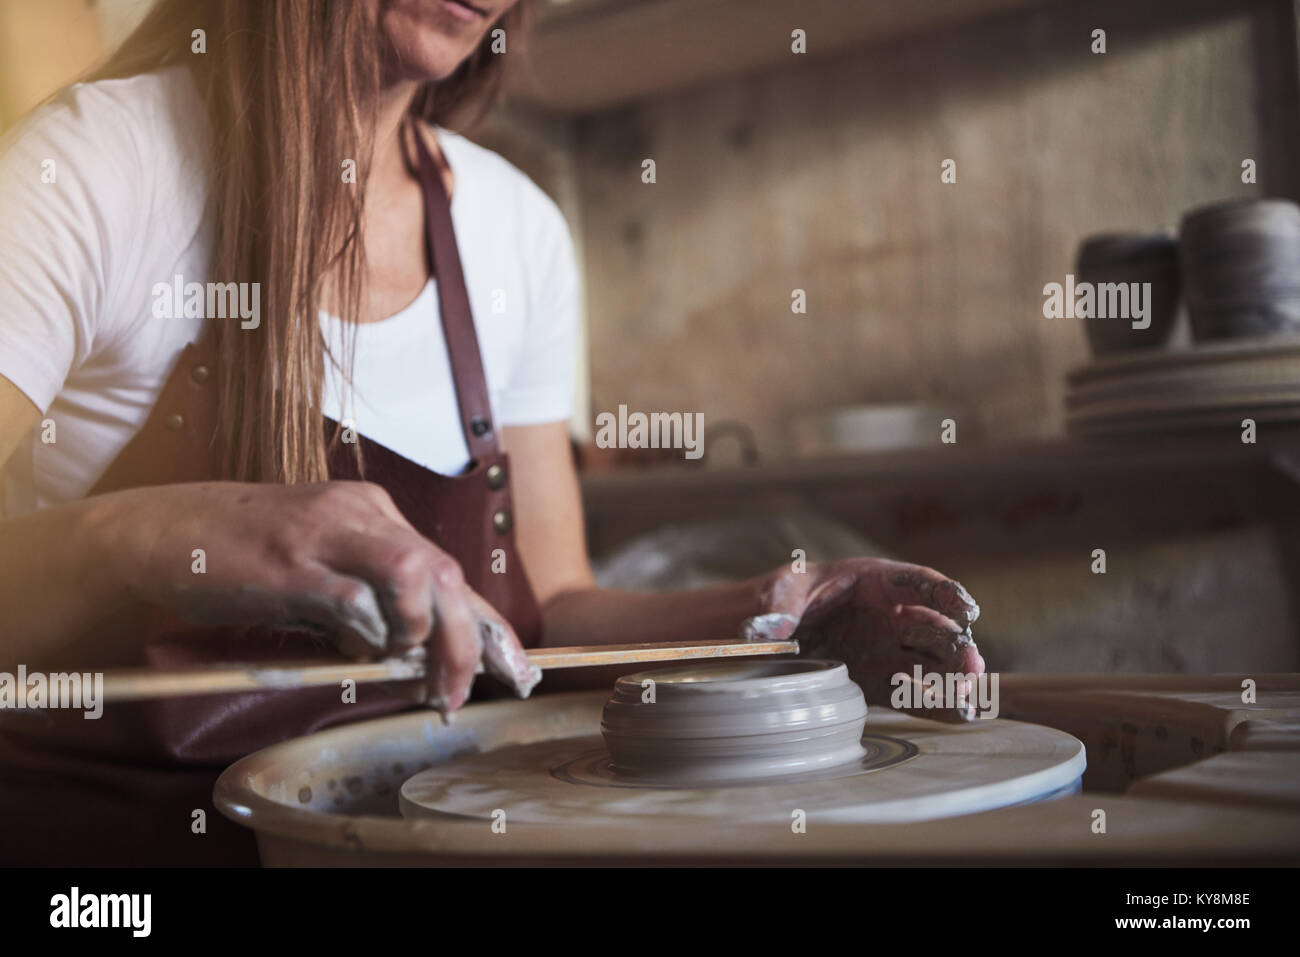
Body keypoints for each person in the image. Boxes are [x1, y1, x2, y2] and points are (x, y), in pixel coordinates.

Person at [0, 0, 983, 866]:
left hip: (401, 837)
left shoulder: (517, 232)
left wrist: (773, 616)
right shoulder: (94, 172)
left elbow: (549, 613)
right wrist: (152, 535)